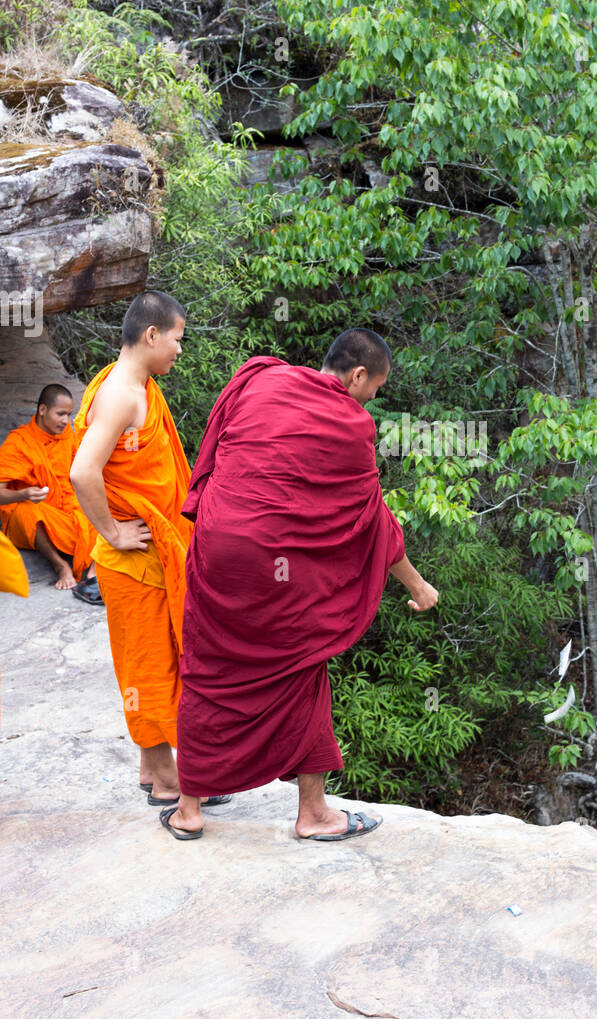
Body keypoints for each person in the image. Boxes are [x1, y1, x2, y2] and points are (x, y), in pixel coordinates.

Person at [166, 328, 438, 841]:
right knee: (303, 665)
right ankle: (312, 814)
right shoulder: (350, 423)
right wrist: (419, 586)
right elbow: (373, 518)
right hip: (272, 565)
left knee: (206, 667)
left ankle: (189, 810)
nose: (373, 399)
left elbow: (218, 446)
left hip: (216, 543)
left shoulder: (259, 377)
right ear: (358, 375)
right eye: (375, 387)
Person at [70, 291, 230, 813]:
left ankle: (149, 765)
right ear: (152, 335)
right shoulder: (122, 394)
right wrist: (113, 532)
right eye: (178, 340)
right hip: (133, 562)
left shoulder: (136, 385)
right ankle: (168, 781)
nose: (180, 351)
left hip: (151, 556)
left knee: (157, 662)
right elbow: (81, 472)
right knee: (150, 667)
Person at [0, 385, 97, 597]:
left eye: (69, 415)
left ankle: (92, 573)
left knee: (100, 508)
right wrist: (22, 494)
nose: (65, 421)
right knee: (28, 512)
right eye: (60, 414)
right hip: (34, 513)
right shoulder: (19, 442)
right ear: (42, 410)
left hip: (69, 511)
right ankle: (60, 566)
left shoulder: (68, 439)